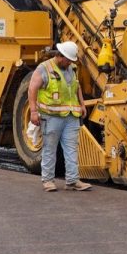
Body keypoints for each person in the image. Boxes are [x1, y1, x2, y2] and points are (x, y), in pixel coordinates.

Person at [27, 41, 90, 192]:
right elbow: (32, 89)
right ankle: (48, 181)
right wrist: (33, 111)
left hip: (71, 116)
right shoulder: (44, 69)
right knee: (50, 149)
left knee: (71, 149)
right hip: (51, 117)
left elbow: (76, 87)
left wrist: (82, 105)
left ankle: (72, 181)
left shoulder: (71, 68)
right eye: (68, 60)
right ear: (60, 56)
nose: (69, 63)